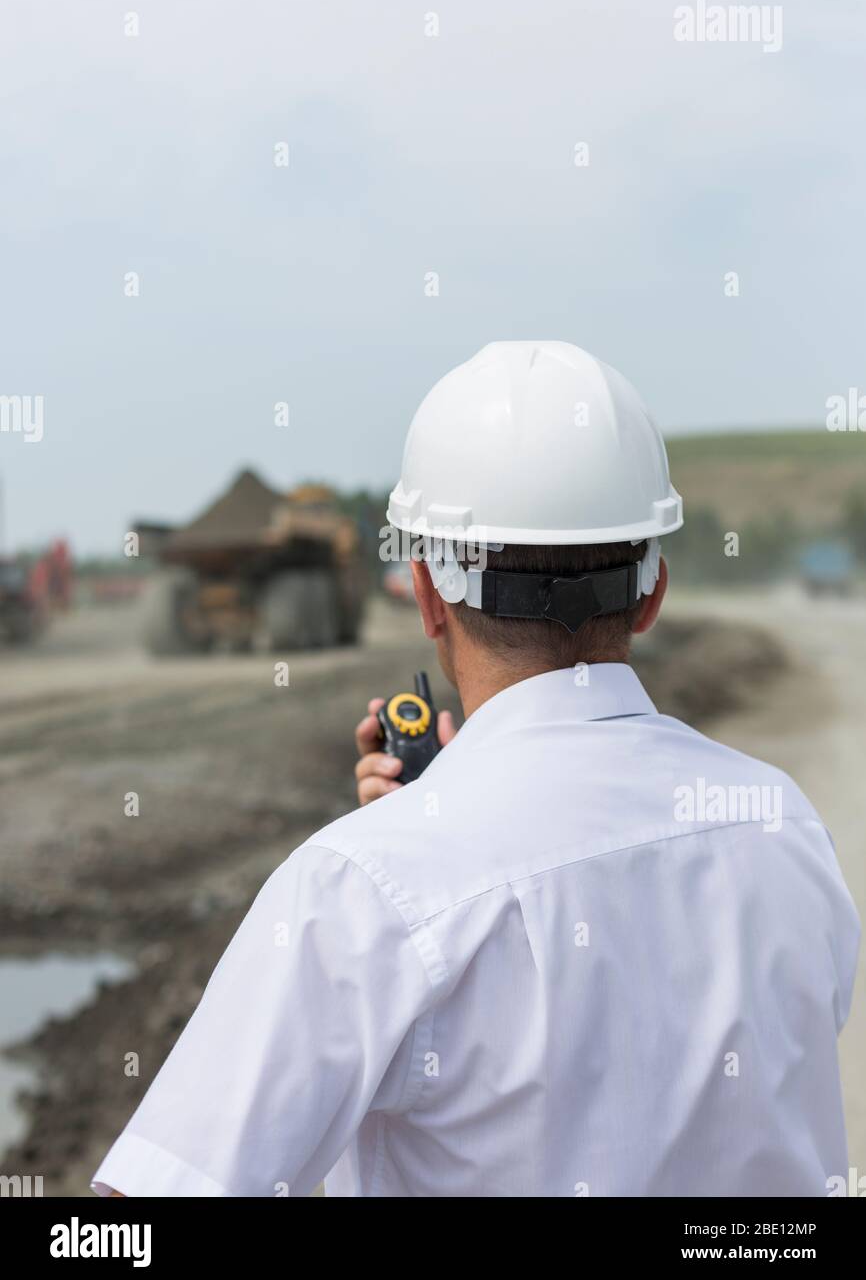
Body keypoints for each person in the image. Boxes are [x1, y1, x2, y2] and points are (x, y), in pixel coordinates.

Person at [92, 340, 859, 1197]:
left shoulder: (360, 893)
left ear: (424, 594)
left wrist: (422, 842)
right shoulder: (783, 826)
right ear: (651, 592)